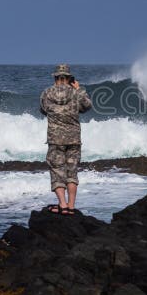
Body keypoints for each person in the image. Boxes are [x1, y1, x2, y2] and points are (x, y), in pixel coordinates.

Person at [40, 64, 92, 215]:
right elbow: (87, 106)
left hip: (55, 139)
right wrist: (79, 89)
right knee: (72, 173)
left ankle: (62, 205)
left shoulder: (47, 93)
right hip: (74, 139)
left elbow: (43, 110)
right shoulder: (76, 93)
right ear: (69, 78)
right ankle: (70, 206)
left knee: (57, 172)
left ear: (55, 77)